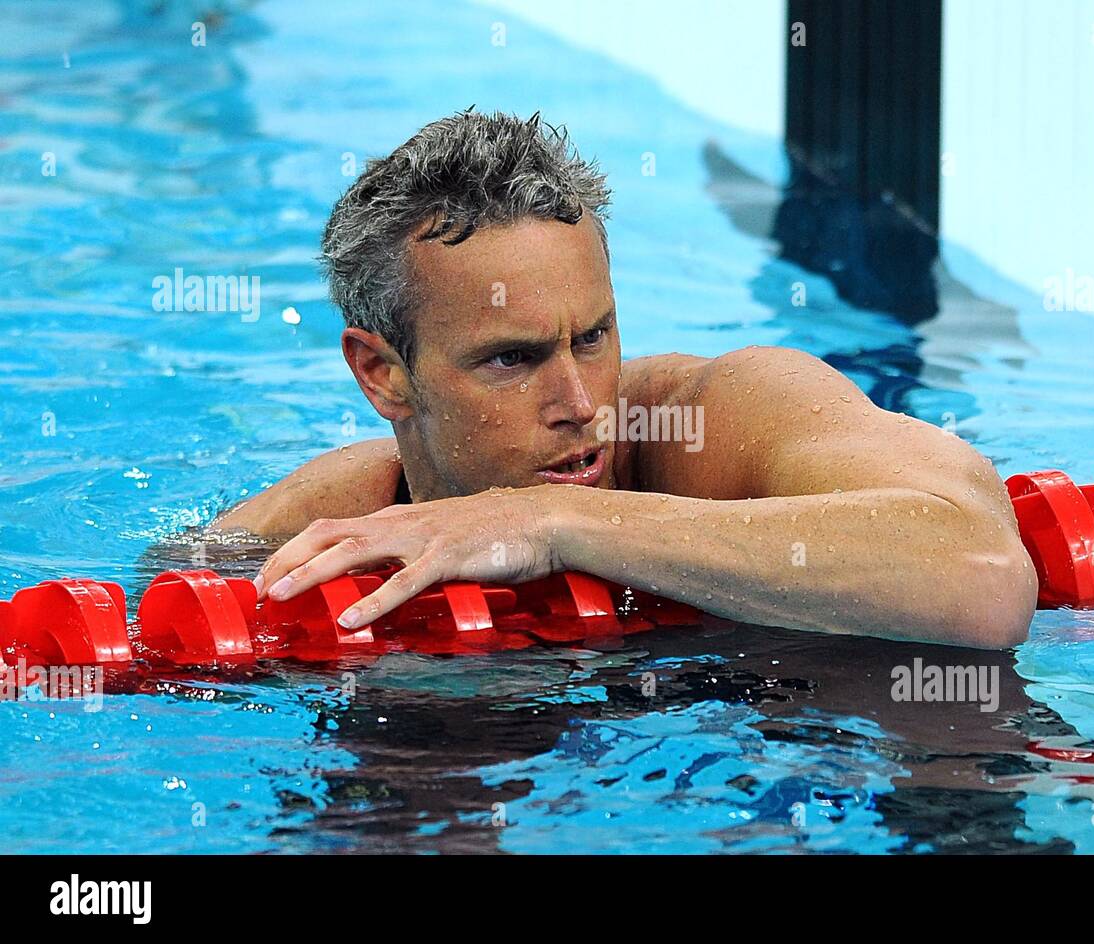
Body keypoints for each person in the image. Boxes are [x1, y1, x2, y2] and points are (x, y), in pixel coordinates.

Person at [213, 110, 1037, 649]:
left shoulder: (723, 418)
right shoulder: (318, 522)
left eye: (594, 337)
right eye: (512, 359)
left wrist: (549, 519)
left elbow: (984, 572)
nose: (580, 405)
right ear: (383, 374)